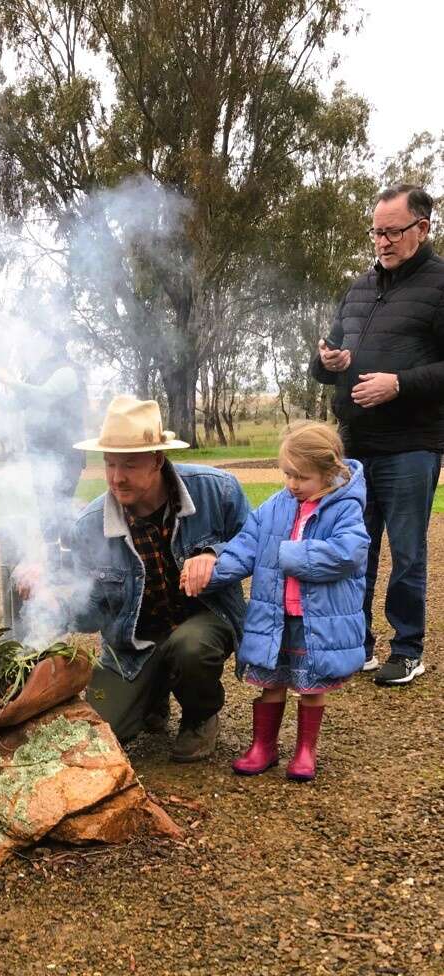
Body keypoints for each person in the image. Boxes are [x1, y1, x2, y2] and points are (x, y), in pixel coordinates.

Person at [63, 395, 249, 762]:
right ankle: (152, 695)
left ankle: (199, 716)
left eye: (129, 465)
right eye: (110, 463)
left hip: (203, 620)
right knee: (101, 736)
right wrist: (57, 597)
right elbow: (90, 616)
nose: (117, 477)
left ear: (157, 460)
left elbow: (257, 543)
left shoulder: (217, 489)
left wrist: (217, 556)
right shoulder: (89, 525)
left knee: (190, 647)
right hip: (134, 642)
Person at [310, 184, 444, 687]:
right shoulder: (359, 286)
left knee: (407, 552)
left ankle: (407, 649)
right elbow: (325, 359)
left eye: (392, 231)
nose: (382, 242)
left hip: (412, 445)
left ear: (422, 228)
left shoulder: (440, 284)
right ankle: (356, 644)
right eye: (376, 232)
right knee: (353, 549)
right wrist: (328, 361)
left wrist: (400, 384)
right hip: (356, 448)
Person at [201, 422, 368, 781]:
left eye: (301, 477)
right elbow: (245, 546)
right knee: (271, 681)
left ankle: (306, 750)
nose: (292, 484)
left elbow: (349, 553)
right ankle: (264, 745)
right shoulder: (275, 506)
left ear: (329, 472)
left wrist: (290, 555)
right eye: (287, 474)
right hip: (275, 614)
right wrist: (210, 575)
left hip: (315, 620)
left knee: (311, 685)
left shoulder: (345, 508)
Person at [0, 328, 87, 569]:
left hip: (65, 454)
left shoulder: (67, 371)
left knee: (60, 508)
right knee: (46, 513)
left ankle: (71, 566)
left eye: (39, 339)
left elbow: (45, 395)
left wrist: (9, 380)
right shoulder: (34, 374)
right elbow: (9, 405)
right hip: (40, 455)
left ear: (53, 343)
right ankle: (54, 566)